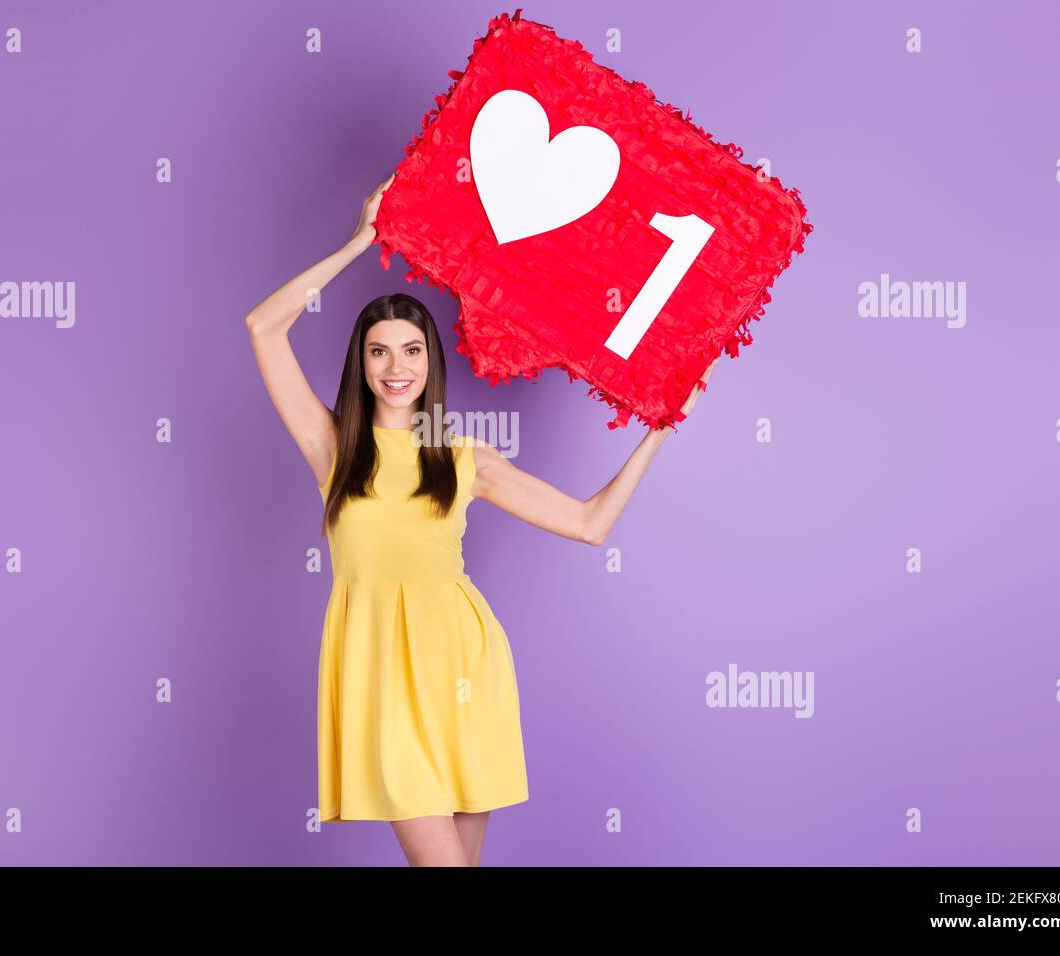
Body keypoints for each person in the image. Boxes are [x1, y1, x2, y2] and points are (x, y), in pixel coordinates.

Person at [244, 173, 716, 866]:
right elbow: (263, 326)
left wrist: (661, 430)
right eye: (379, 351)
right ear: (361, 364)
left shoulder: (467, 458)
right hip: (381, 679)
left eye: (411, 350)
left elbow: (590, 523)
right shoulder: (335, 449)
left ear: (430, 362)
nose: (396, 366)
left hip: (466, 667)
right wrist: (362, 240)